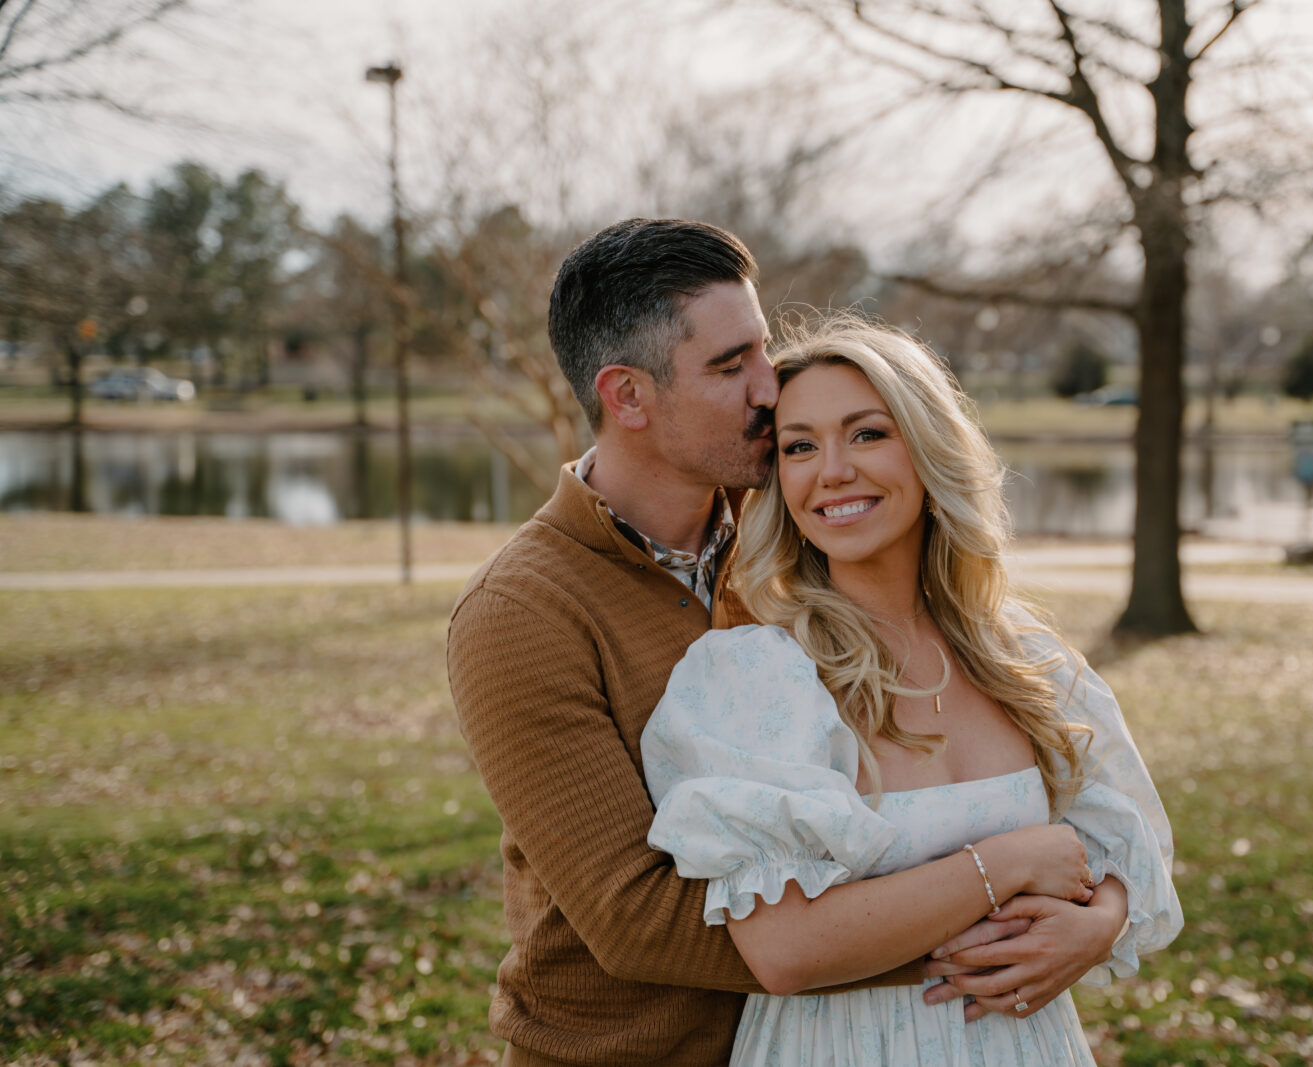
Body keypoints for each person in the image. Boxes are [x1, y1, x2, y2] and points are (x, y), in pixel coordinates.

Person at [448, 219, 1128, 1067]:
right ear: (627, 396)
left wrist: (1094, 919)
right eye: (732, 366)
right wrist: (1005, 930)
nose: (771, 389)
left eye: (763, 351)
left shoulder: (788, 539)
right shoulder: (521, 614)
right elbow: (635, 922)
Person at [642, 314, 1182, 1064]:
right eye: (799, 446)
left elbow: (1124, 840)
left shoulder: (1024, 658)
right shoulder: (759, 678)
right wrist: (1008, 864)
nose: (831, 470)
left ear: (930, 451)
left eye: (867, 434)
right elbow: (787, 948)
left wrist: (1100, 925)